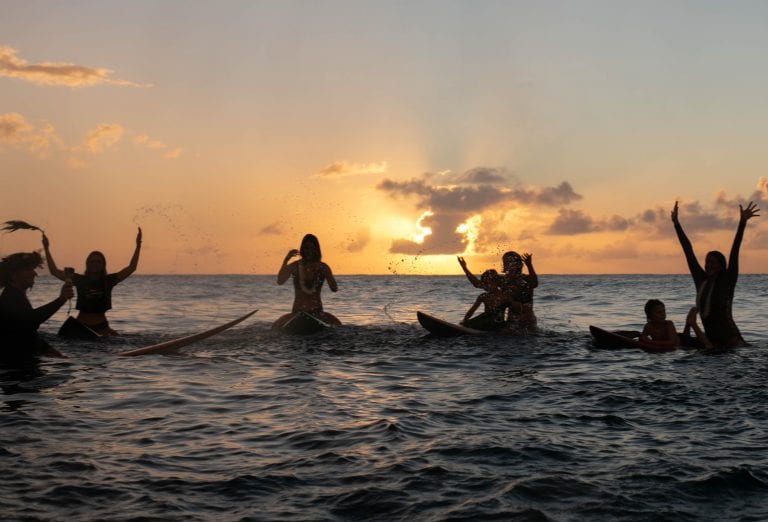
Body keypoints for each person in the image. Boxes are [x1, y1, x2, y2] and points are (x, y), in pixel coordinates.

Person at [671, 200, 759, 348]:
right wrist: (676, 224)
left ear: (720, 266)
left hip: (732, 341)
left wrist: (742, 223)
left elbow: (735, 249)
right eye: (707, 262)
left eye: (712, 263)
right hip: (712, 341)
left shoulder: (728, 280)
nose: (708, 266)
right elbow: (688, 251)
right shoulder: (701, 280)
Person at [42, 228, 142, 335]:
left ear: (103, 265)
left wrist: (138, 245)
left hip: (102, 327)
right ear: (87, 264)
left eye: (98, 261)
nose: (95, 264)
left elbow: (131, 268)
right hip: (80, 325)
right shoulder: (78, 279)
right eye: (92, 261)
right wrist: (46, 248)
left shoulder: (109, 280)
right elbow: (54, 271)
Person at [0, 251, 73, 361]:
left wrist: (47, 349)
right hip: (16, 370)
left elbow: (27, 332)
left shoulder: (17, 296)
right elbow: (29, 320)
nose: (35, 273)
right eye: (28, 269)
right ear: (13, 275)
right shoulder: (9, 299)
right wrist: (60, 300)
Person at [458, 251, 539, 333]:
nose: (509, 264)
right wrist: (465, 268)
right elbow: (478, 284)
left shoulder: (525, 279)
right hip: (511, 322)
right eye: (506, 262)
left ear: (519, 264)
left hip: (527, 322)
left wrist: (529, 265)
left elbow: (534, 283)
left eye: (512, 262)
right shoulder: (504, 280)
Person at [274, 234, 340, 327]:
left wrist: (327, 274)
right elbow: (280, 281)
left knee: (338, 325)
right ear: (302, 250)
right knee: (275, 327)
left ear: (316, 250)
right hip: (297, 312)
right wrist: (286, 260)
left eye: (312, 248)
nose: (309, 251)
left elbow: (334, 288)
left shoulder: (323, 267)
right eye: (306, 248)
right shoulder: (295, 266)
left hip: (317, 313)